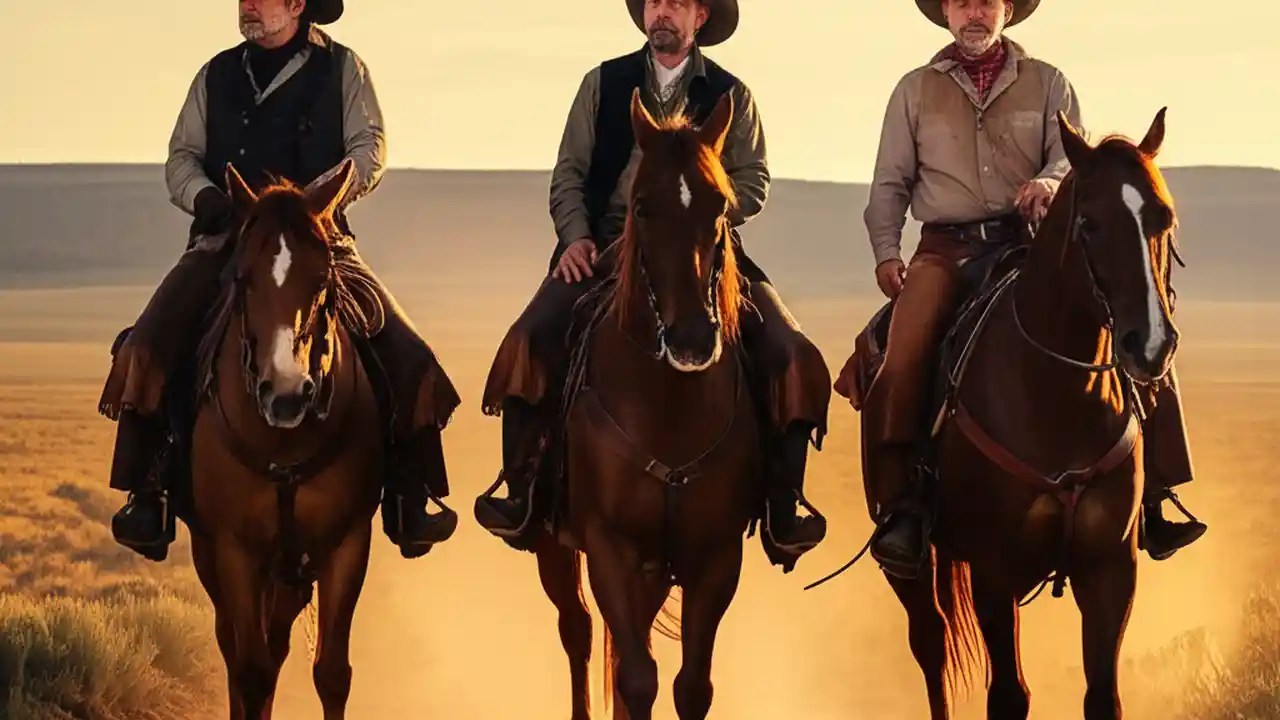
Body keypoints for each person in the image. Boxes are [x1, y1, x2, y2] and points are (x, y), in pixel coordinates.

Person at [846, 0, 1207, 579]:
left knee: (1139, 319)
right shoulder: (913, 91)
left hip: (1031, 243)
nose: (974, 12)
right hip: (945, 250)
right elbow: (889, 182)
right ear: (944, 11)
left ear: (1007, 11)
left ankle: (1158, 490)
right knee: (903, 355)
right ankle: (904, 506)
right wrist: (888, 253)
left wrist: (1048, 179)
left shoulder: (1048, 83)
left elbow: (1074, 162)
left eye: (987, 1)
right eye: (961, 1)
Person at [473, 0, 833, 569]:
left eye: (679, 3)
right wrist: (574, 238)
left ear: (701, 18)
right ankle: (521, 490)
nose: (663, 11)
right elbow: (569, 172)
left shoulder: (730, 94)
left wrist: (697, 216)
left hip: (701, 247)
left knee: (791, 353)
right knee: (528, 341)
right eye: (655, 2)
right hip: (601, 247)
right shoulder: (604, 83)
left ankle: (782, 503)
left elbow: (753, 179)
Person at [98, 0, 461, 562]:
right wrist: (210, 200)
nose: (247, 4)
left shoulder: (344, 68)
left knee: (409, 354)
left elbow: (370, 148)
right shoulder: (215, 74)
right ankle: (149, 493)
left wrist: (320, 199)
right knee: (147, 344)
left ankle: (410, 495)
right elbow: (181, 159)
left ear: (296, 5)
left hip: (320, 241)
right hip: (226, 240)